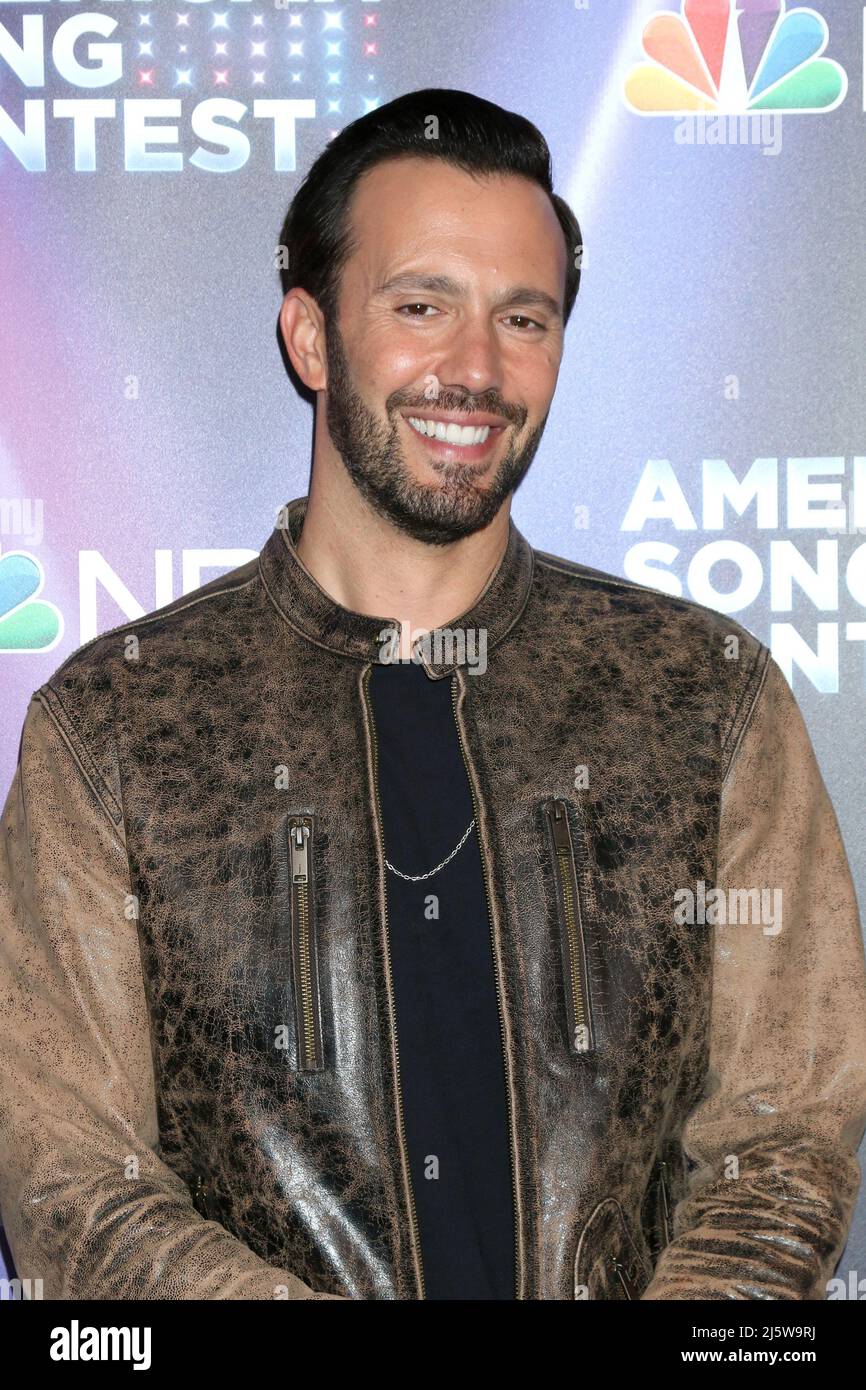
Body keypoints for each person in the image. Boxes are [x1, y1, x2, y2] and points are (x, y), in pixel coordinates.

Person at [1, 87, 865, 1301]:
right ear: (310, 337)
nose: (475, 369)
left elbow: (783, 1146)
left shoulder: (701, 696)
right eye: (421, 306)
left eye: (524, 317)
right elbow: (73, 1188)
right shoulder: (115, 730)